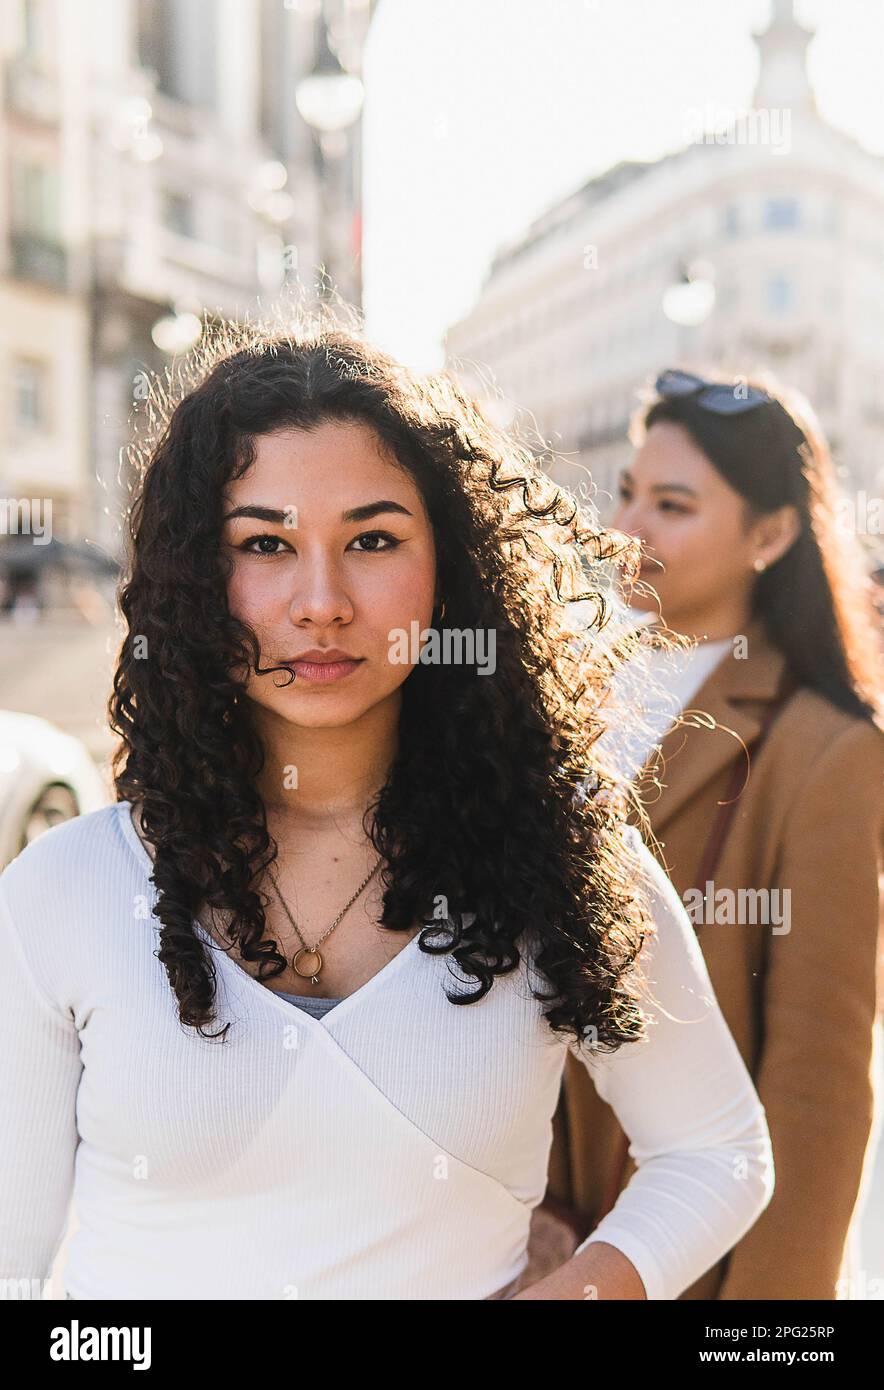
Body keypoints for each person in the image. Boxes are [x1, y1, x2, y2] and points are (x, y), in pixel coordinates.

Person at [0, 327, 774, 1301]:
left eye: (371, 540)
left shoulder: (559, 854)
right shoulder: (59, 894)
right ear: (197, 575)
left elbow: (716, 1151)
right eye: (264, 544)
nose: (320, 602)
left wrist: (581, 1292)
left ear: (448, 569)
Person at [541, 367, 884, 1300]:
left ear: (771, 534)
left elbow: (818, 1091)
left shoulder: (826, 751)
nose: (630, 530)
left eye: (674, 505)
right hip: (523, 1241)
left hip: (693, 1265)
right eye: (627, 494)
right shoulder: (552, 699)